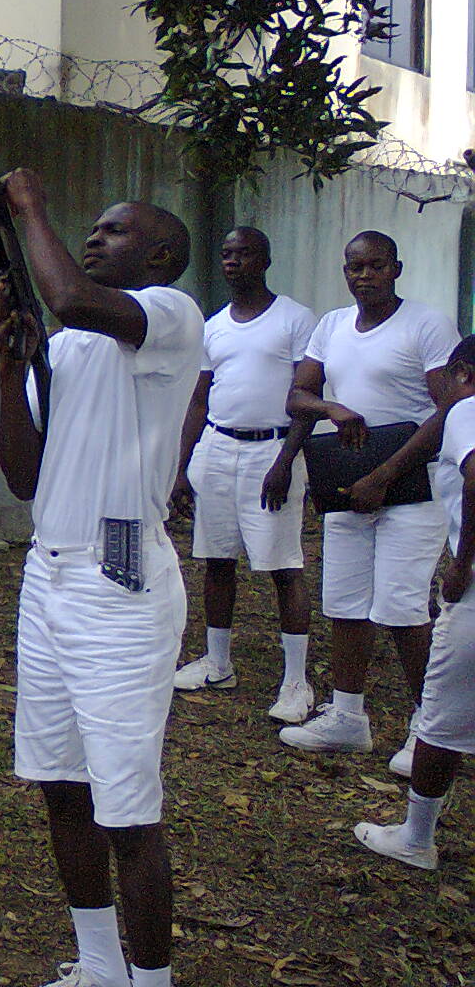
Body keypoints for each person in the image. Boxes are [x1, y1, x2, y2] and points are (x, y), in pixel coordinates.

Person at [0, 171, 200, 987]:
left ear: (159, 254)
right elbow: (19, 476)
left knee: (128, 810)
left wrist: (30, 208)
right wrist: (14, 367)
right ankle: (101, 968)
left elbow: (73, 298)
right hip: (48, 574)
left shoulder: (172, 317)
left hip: (120, 583)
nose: (94, 235)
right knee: (60, 785)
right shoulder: (73, 341)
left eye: (116, 231)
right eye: (92, 225)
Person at [279, 232, 459, 776]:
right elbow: (296, 397)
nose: (363, 276)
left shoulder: (426, 325)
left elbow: (448, 407)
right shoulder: (331, 325)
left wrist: (386, 473)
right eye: (354, 267)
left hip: (409, 484)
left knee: (403, 609)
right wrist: (332, 406)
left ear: (395, 269)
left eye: (375, 266)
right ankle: (348, 717)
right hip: (347, 481)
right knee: (345, 602)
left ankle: (431, 729)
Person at [170, 227, 318, 722]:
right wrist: (183, 465)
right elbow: (198, 397)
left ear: (266, 259)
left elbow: (305, 399)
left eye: (245, 253)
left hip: (271, 450)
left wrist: (285, 463)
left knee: (282, 566)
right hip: (217, 446)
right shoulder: (214, 327)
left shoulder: (295, 319)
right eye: (226, 254)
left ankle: (296, 681)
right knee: (216, 558)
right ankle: (217, 662)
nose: (233, 262)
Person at [355, 334, 475, 870]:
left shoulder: (467, 408)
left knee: (439, 719)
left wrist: (461, 565)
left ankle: (416, 837)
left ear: (462, 373)